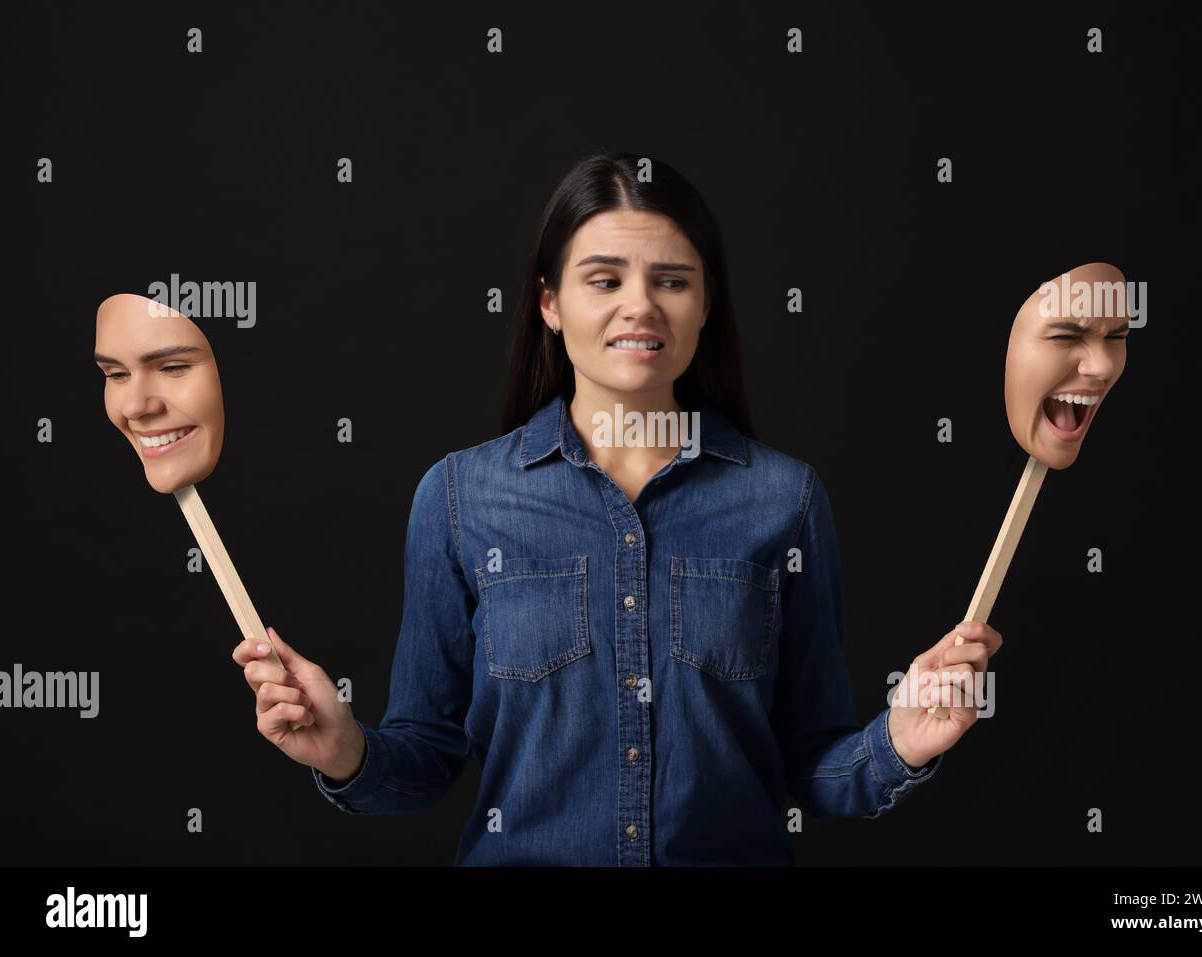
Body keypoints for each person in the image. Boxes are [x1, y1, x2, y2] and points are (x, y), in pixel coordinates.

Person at [231, 151, 1003, 865]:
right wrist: (343, 751)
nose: (641, 306)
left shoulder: (784, 498)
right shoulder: (461, 498)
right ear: (549, 302)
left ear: (705, 306)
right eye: (604, 280)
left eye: (672, 280)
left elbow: (815, 765)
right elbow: (424, 762)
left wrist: (900, 740)